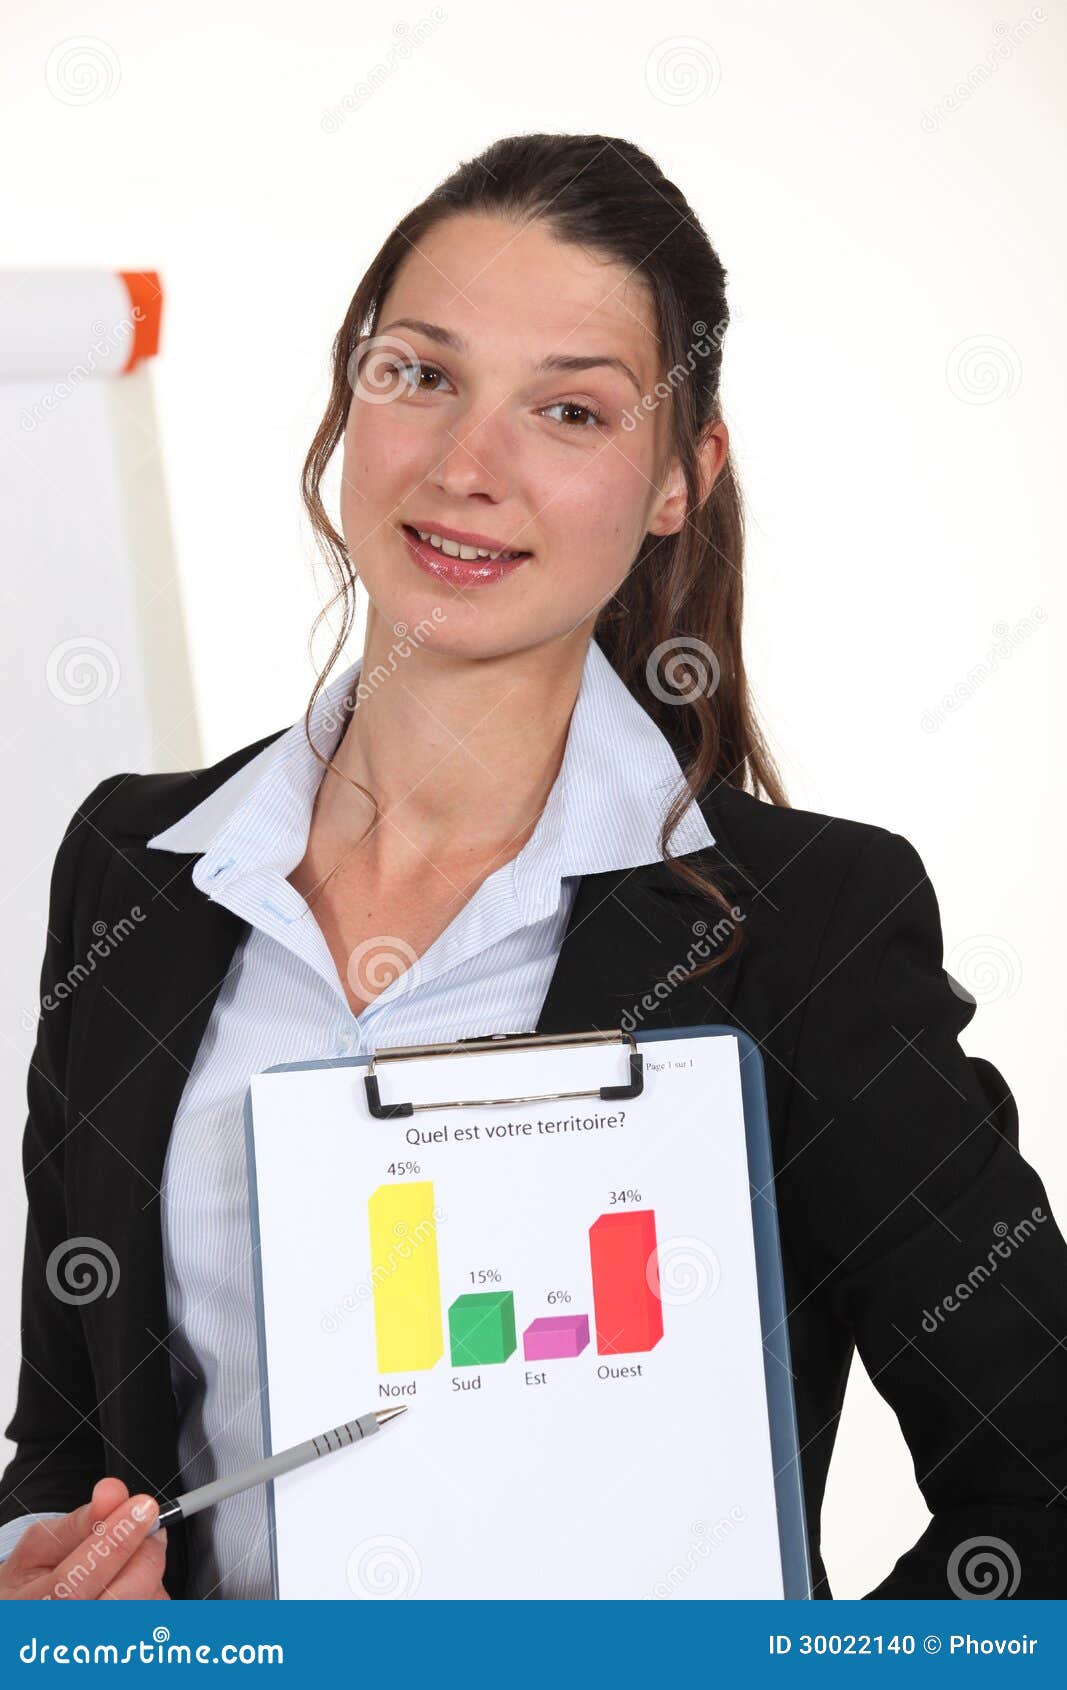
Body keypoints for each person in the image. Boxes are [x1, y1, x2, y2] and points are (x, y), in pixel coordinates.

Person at [1, 133, 1065, 1601]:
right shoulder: (137, 870)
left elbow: (1043, 1486)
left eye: (568, 410)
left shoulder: (805, 927)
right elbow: (67, 1441)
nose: (463, 467)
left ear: (681, 479)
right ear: (346, 398)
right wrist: (41, 1578)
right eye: (420, 374)